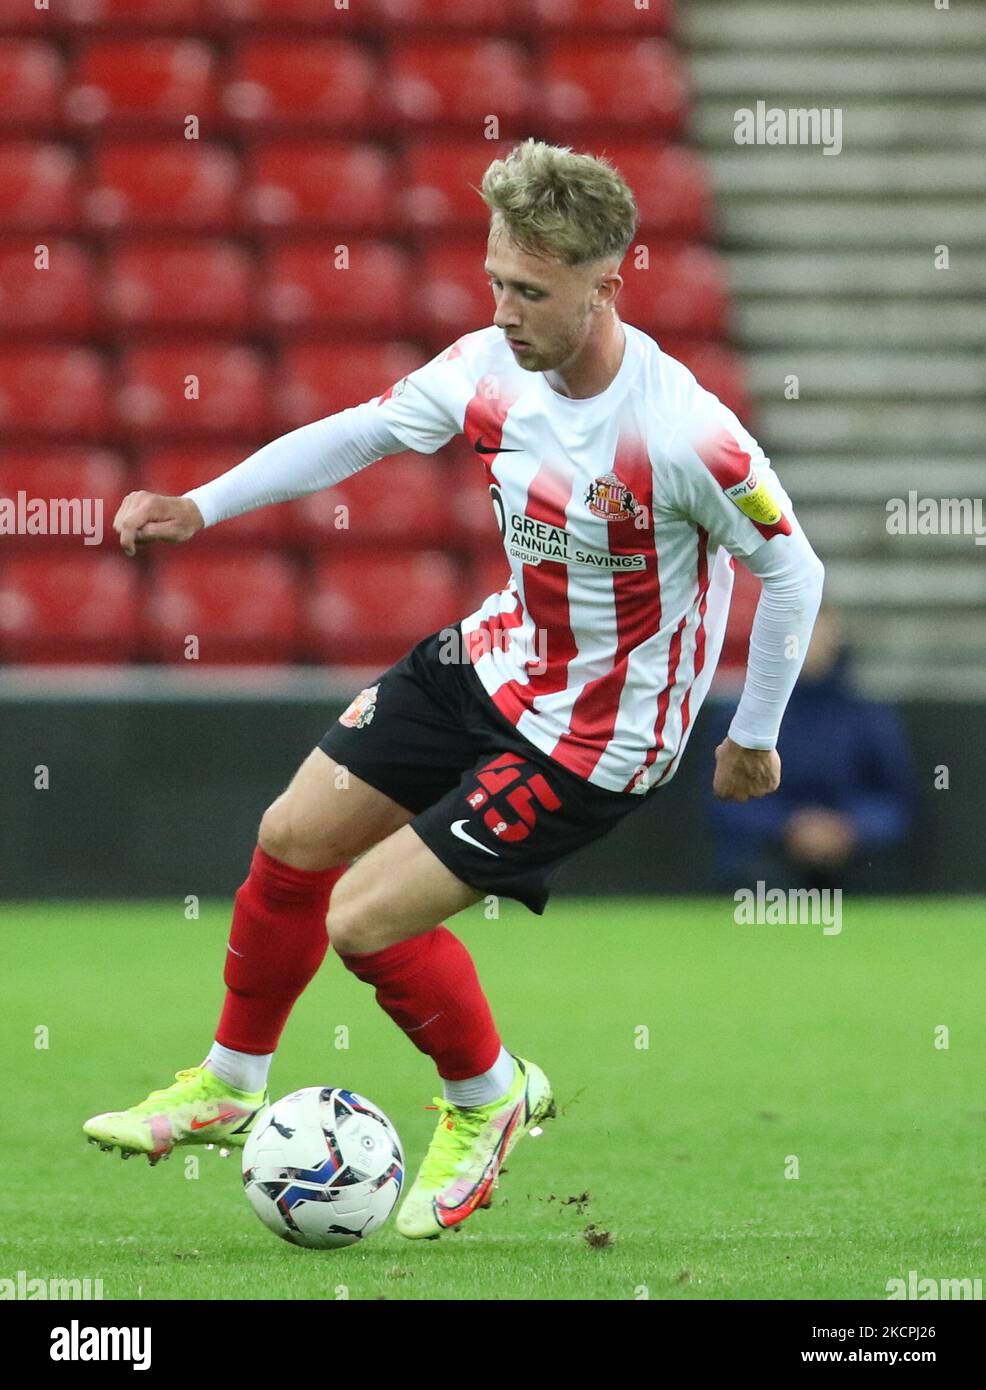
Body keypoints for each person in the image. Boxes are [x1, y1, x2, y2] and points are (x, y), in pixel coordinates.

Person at [85, 140, 825, 1240]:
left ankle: (489, 1101)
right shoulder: (486, 368)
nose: (506, 309)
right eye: (495, 281)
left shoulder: (684, 433)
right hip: (490, 659)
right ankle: (231, 1083)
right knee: (292, 837)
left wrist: (753, 733)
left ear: (604, 283)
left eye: (530, 291)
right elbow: (360, 433)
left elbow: (791, 567)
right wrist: (200, 504)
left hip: (597, 736)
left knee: (365, 920)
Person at [704, 607, 914, 893]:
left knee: (878, 880)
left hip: (855, 860)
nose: (809, 639)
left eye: (817, 626)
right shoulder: (743, 716)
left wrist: (850, 828)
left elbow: (895, 801)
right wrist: (787, 827)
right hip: (769, 856)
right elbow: (724, 799)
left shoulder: (869, 717)